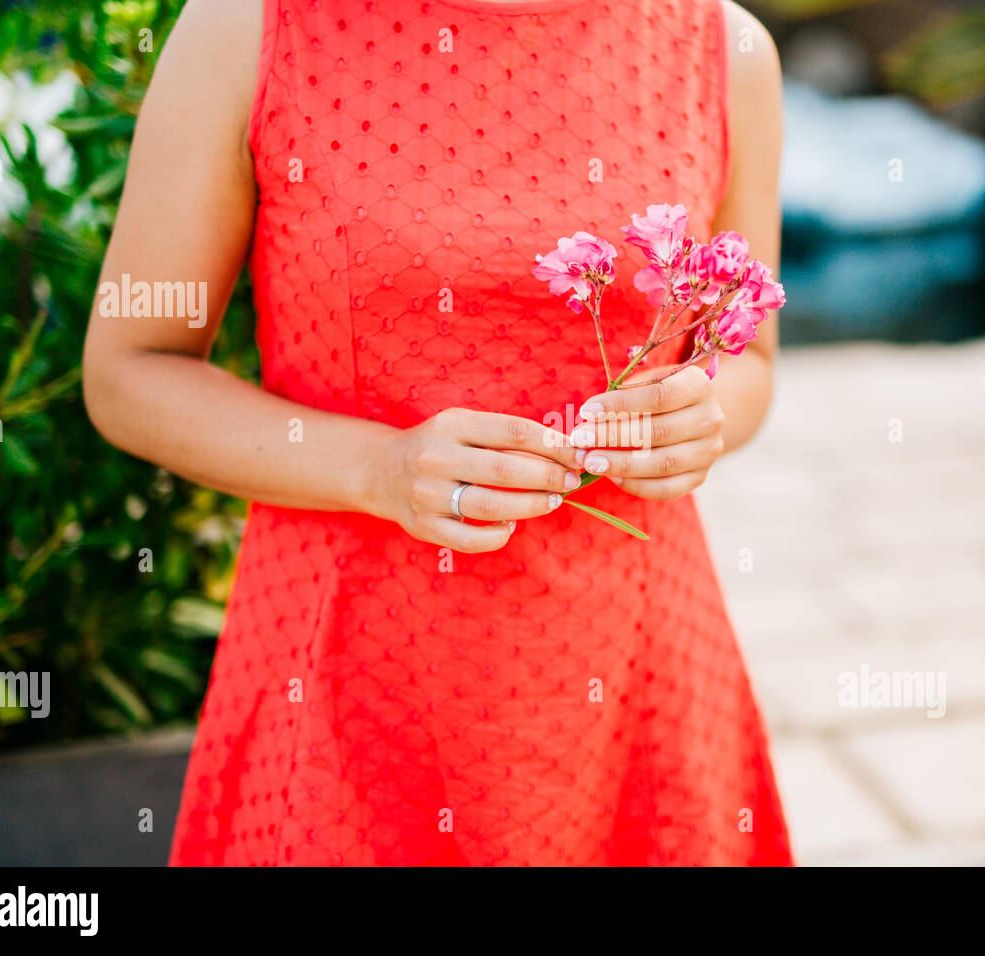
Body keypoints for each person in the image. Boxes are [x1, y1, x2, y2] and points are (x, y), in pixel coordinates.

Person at [83, 0, 791, 866]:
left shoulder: (724, 45)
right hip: (349, 679)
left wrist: (699, 420)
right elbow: (130, 372)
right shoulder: (249, 25)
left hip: (638, 676)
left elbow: (750, 359)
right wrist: (380, 469)